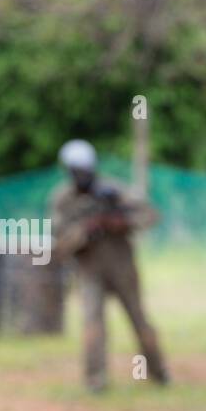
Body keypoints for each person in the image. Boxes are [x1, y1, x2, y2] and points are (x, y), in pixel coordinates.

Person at [49, 139, 169, 393]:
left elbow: (150, 215)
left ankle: (159, 372)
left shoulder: (114, 191)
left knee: (139, 320)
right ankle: (96, 381)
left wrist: (121, 222)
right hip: (90, 270)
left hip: (123, 269)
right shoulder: (63, 200)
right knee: (93, 324)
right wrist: (86, 231)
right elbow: (59, 243)